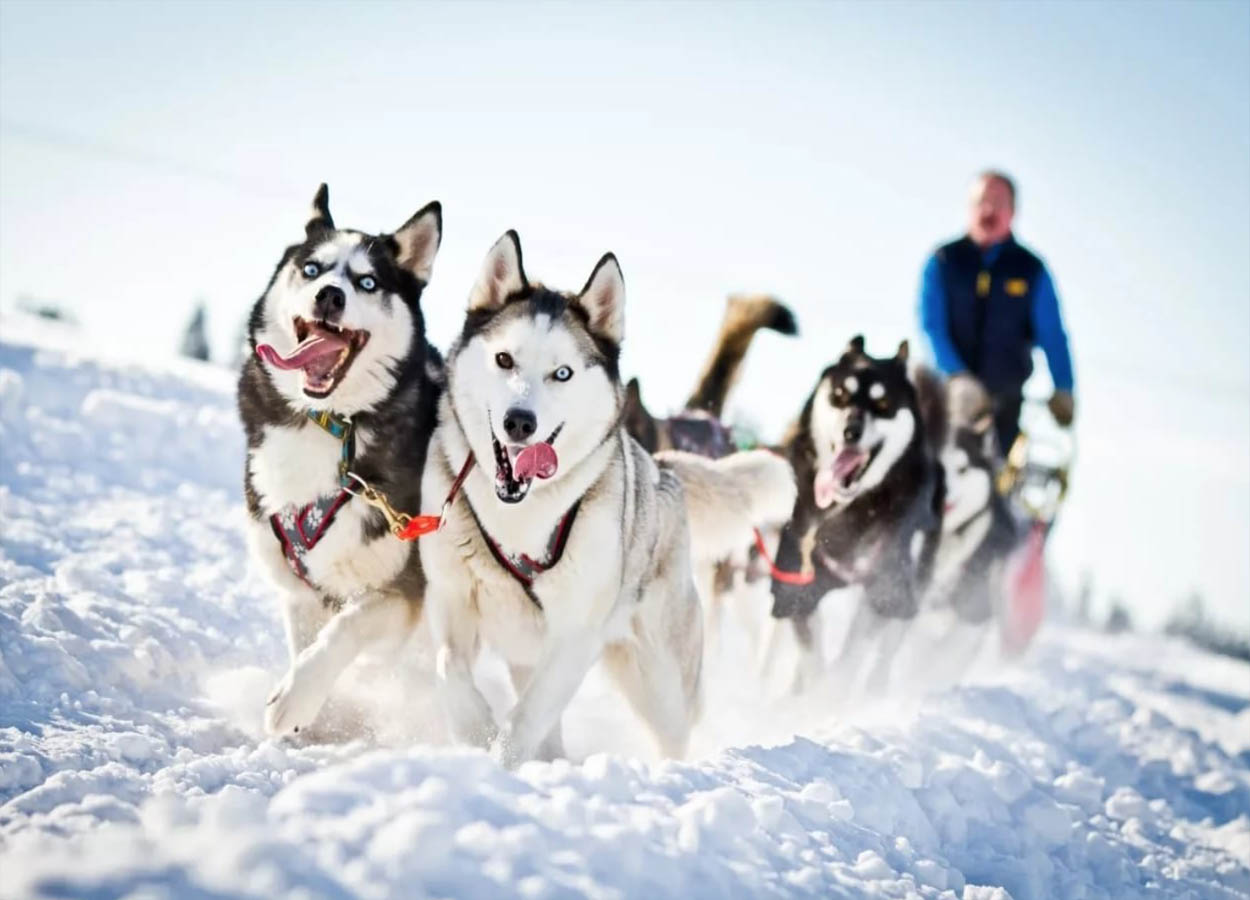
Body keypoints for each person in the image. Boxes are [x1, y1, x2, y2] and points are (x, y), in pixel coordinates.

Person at [919, 171, 1075, 452]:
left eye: (998, 202)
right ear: (969, 207)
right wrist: (956, 377)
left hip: (1004, 409)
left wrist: (1064, 387)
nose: (988, 209)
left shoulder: (1031, 270)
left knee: (993, 482)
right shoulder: (943, 261)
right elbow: (931, 327)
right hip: (945, 405)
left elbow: (1052, 335)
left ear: (1013, 211)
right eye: (981, 201)